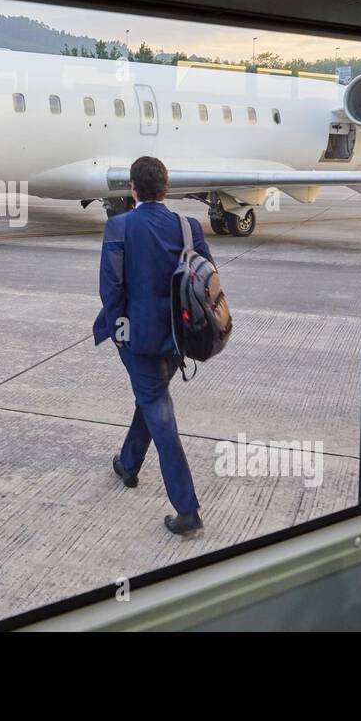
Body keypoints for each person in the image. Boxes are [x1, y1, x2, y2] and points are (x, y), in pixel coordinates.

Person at [93, 156, 214, 535]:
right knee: (151, 399)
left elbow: (111, 287)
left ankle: (187, 508)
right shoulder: (189, 226)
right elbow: (206, 274)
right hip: (179, 338)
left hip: (139, 339)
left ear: (132, 187)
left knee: (160, 414)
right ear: (166, 186)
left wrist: (119, 330)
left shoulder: (120, 226)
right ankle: (128, 464)